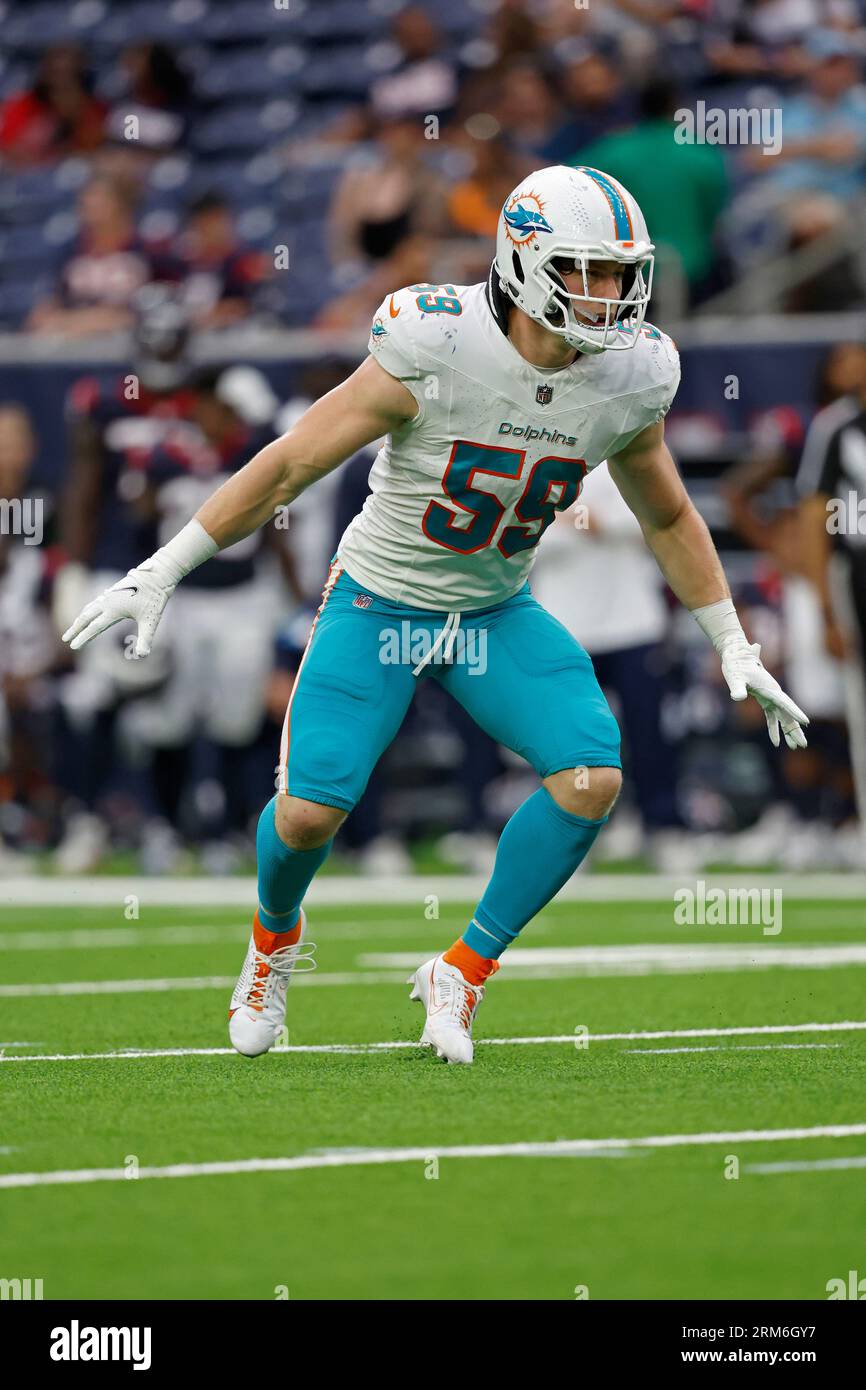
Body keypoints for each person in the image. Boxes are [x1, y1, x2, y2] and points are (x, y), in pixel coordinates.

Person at [60, 165, 809, 1066]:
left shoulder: (633, 373)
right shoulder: (436, 340)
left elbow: (668, 513)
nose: (612, 296)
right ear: (528, 264)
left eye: (622, 274)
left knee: (591, 777)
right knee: (306, 815)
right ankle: (270, 946)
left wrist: (730, 638)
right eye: (590, 271)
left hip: (492, 610)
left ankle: (462, 969)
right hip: (379, 600)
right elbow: (294, 462)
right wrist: (165, 566)